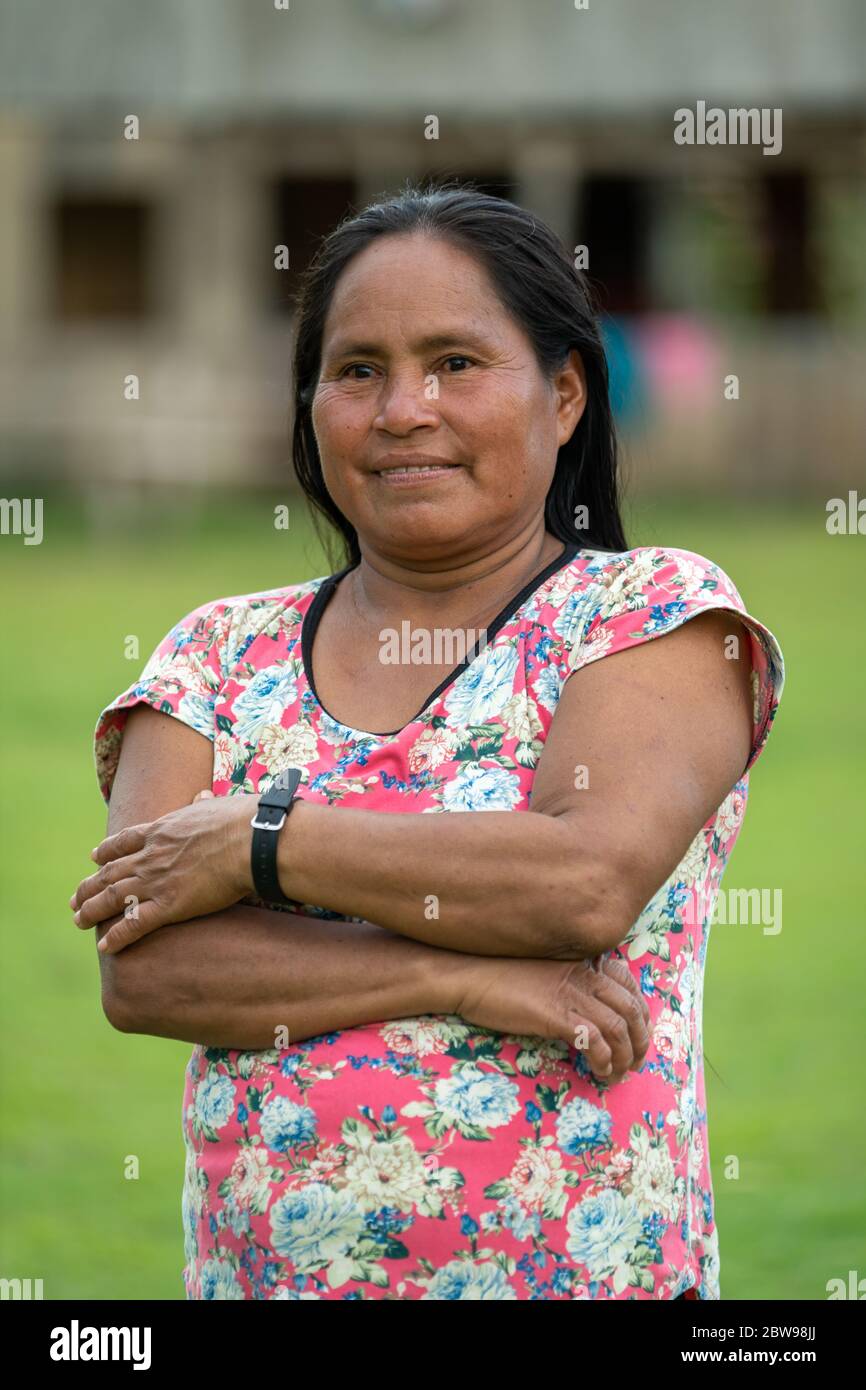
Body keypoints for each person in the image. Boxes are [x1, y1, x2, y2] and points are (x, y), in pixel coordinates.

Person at [73, 182, 784, 1301]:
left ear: (561, 395)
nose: (402, 409)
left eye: (455, 362)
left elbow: (578, 882)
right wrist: (450, 973)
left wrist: (257, 844)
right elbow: (149, 972)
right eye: (357, 370)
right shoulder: (214, 654)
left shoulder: (651, 613)